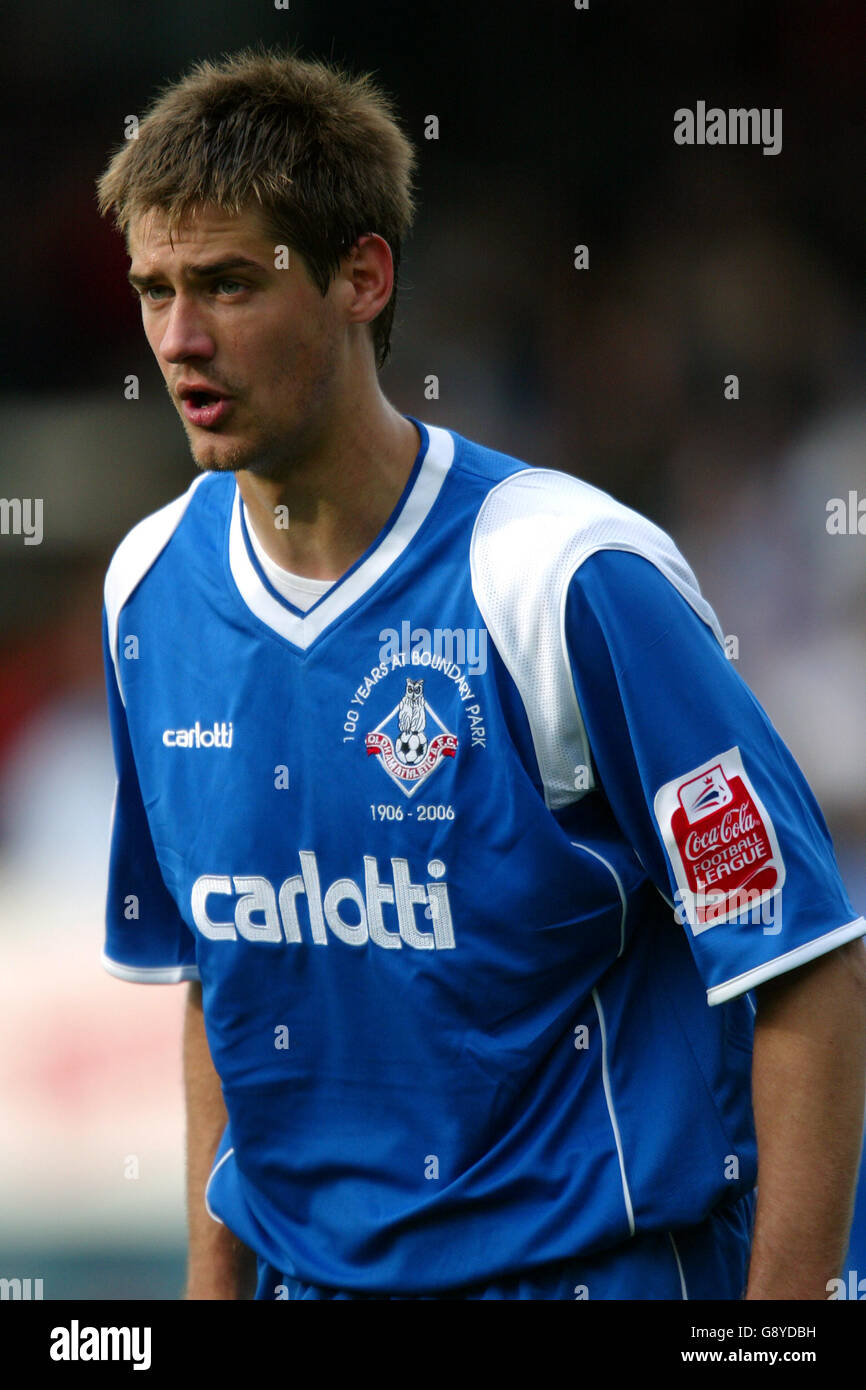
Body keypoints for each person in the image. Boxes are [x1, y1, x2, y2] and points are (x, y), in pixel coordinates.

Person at [96, 46, 866, 1301]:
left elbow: (804, 969)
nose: (179, 338)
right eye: (154, 289)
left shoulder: (561, 574)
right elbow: (218, 992)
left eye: (229, 285)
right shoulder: (147, 595)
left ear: (361, 274)